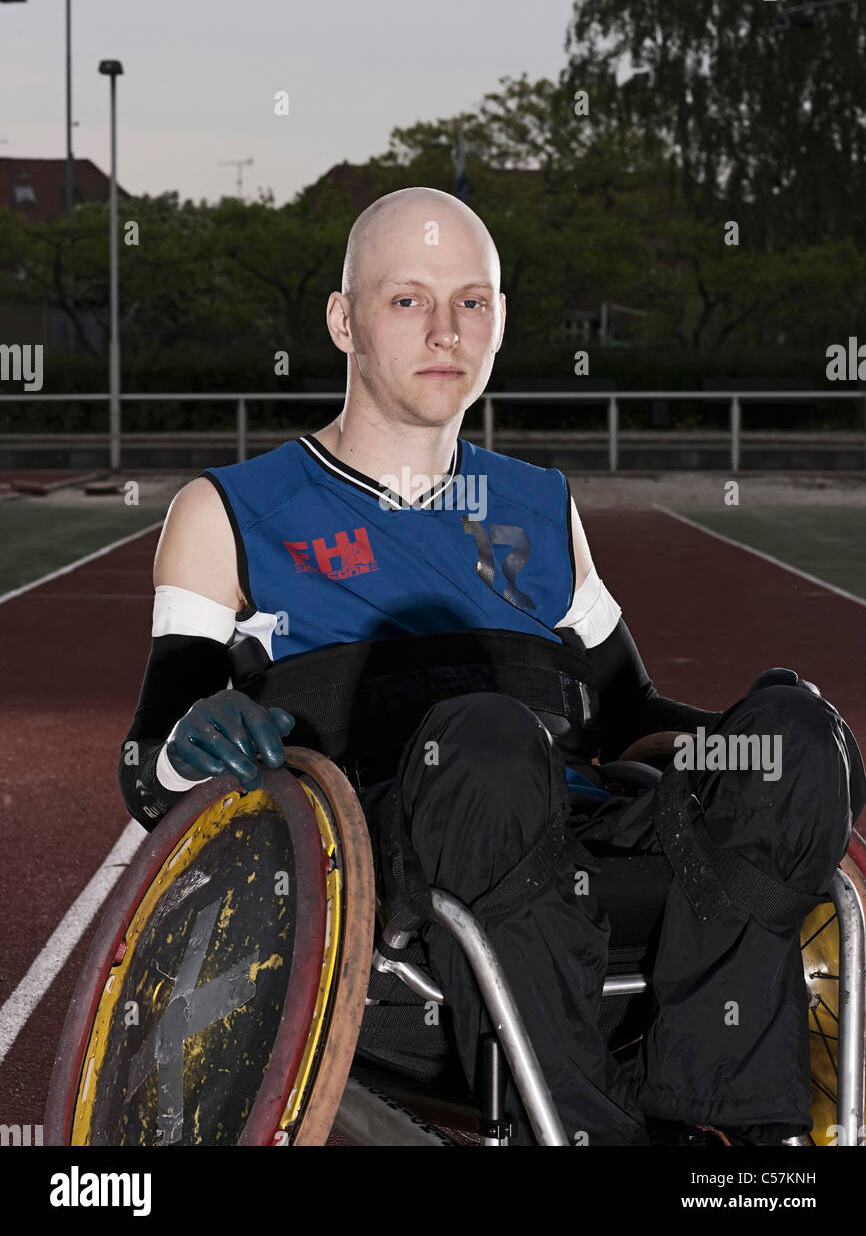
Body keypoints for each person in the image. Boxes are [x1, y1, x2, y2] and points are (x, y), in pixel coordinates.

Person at [119, 186, 864, 1147]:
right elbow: (148, 767)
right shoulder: (227, 514)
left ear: (500, 324)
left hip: (578, 833)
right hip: (385, 885)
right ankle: (591, 1135)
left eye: (472, 302)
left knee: (796, 727)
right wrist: (192, 743)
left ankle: (729, 1137)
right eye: (407, 300)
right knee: (490, 737)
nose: (445, 330)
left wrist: (759, 758)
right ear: (345, 320)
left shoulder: (539, 508)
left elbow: (626, 711)